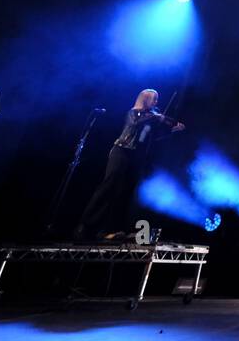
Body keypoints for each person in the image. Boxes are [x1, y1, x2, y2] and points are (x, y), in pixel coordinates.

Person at [74, 89, 184, 241]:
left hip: (135, 156)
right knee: (109, 186)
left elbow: (153, 137)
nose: (156, 102)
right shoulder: (133, 112)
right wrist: (157, 116)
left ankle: (111, 230)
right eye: (154, 99)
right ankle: (86, 226)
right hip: (121, 151)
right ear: (145, 99)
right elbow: (135, 123)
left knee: (125, 192)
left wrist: (172, 130)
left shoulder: (151, 118)